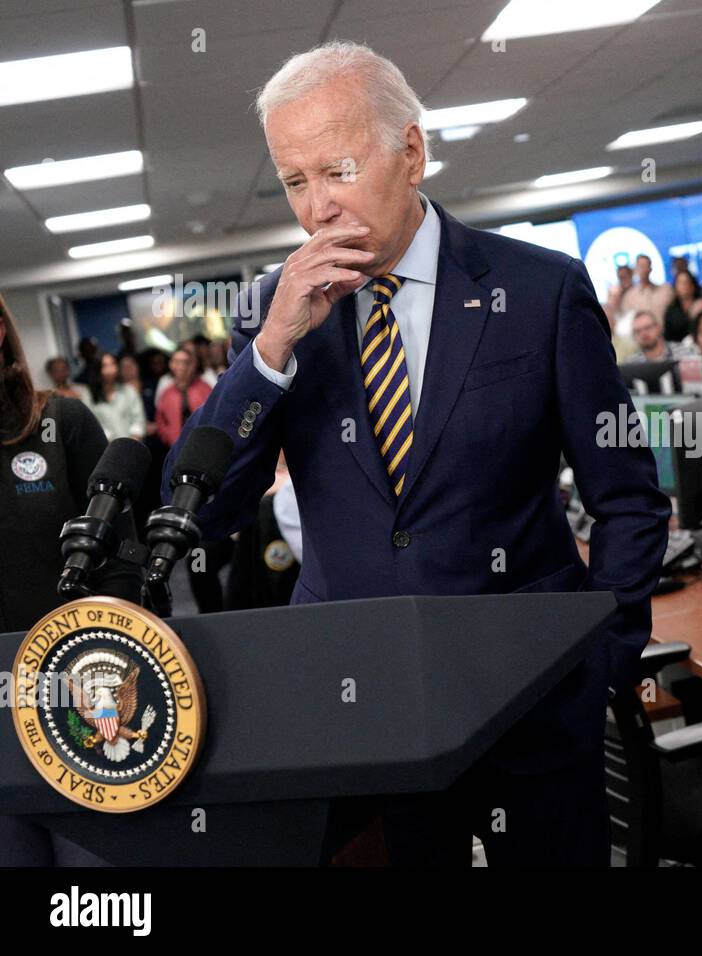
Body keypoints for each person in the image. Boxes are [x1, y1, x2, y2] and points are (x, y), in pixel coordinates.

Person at [161, 41, 669, 867]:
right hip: (359, 707)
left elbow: (629, 498)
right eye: (295, 181)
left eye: (337, 169)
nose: (318, 207)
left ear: (412, 152)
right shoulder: (273, 311)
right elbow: (204, 510)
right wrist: (272, 354)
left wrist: (599, 660)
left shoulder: (539, 290)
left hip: (530, 704)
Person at [0, 292, 142, 866]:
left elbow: (124, 553)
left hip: (79, 693)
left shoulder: (61, 421)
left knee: (94, 882)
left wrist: (114, 679)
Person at [155, 346, 212, 448]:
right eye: (177, 362)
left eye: (185, 362)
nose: (181, 366)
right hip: (176, 447)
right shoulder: (167, 393)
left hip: (204, 445)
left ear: (193, 365)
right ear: (171, 365)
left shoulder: (205, 388)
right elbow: (160, 420)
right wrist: (169, 437)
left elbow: (214, 413)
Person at [88, 352, 146, 442]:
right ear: (98, 370)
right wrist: (115, 448)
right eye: (105, 366)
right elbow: (95, 426)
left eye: (113, 364)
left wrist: (132, 442)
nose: (111, 369)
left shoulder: (129, 391)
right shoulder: (92, 397)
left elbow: (138, 420)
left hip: (134, 447)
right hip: (107, 450)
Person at [621, 253, 674, 327]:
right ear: (635, 269)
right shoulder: (629, 297)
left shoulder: (665, 291)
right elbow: (628, 322)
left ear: (650, 268)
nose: (643, 269)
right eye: (640, 266)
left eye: (645, 266)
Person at [628, 309, 694, 362]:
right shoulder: (631, 364)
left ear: (659, 327)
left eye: (648, 328)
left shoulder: (684, 353)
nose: (643, 333)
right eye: (638, 331)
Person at [662, 269, 701, 342]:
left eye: (687, 282)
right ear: (675, 287)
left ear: (693, 286)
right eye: (680, 283)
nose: (684, 286)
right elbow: (668, 336)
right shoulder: (671, 311)